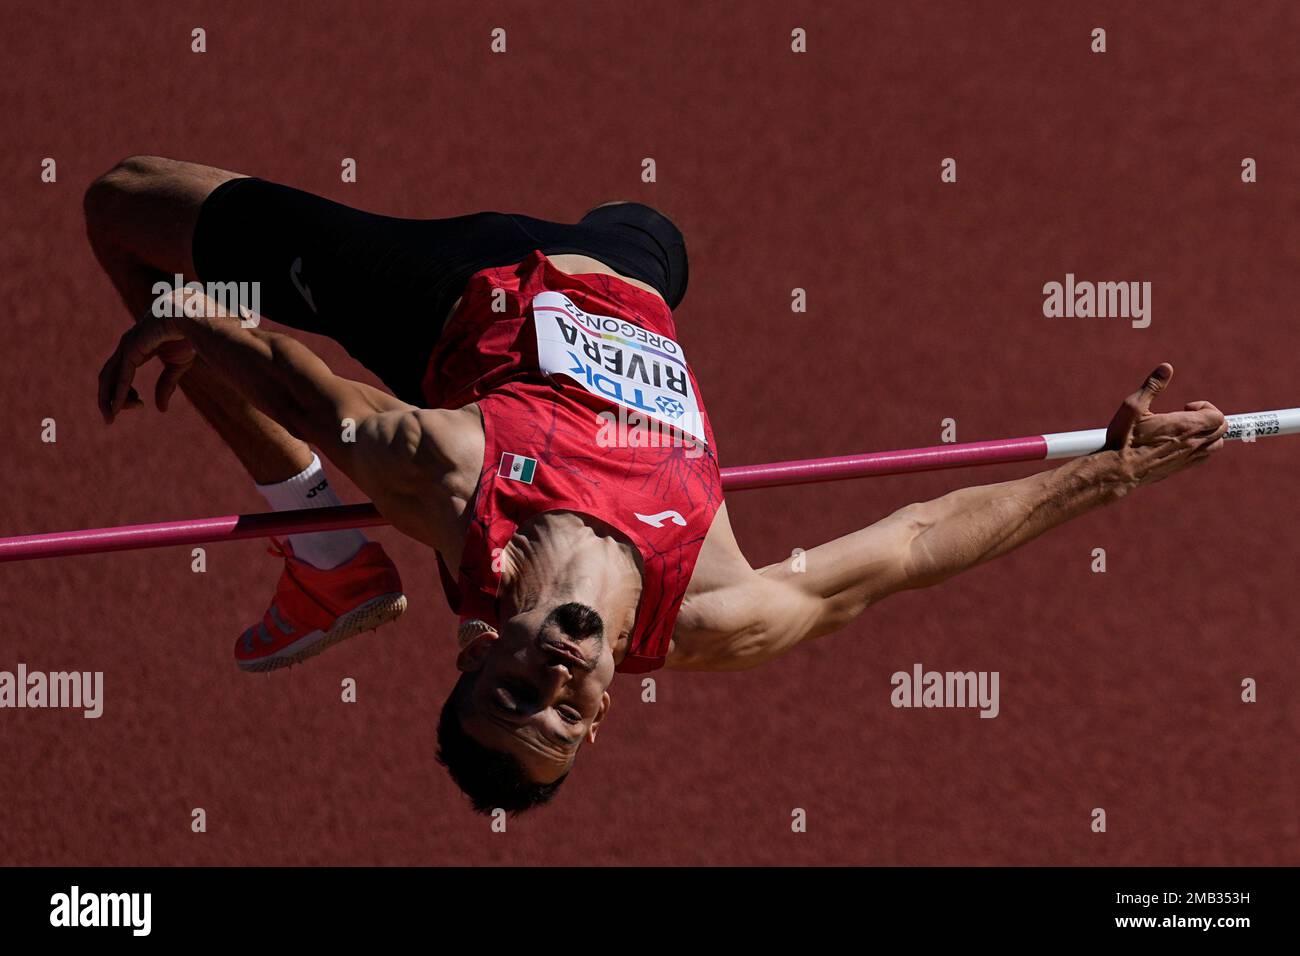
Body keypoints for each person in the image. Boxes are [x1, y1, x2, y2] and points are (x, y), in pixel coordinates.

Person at [83, 156, 1228, 815]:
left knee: (124, 204)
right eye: (568, 715)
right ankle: (324, 551)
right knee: (655, 229)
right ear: (604, 707)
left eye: (512, 695)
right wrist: (1103, 475)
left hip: (443, 286)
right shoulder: (719, 609)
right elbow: (923, 539)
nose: (555, 684)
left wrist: (182, 314)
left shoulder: (451, 482)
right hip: (635, 273)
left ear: (479, 651)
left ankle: (315, 542)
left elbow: (310, 382)